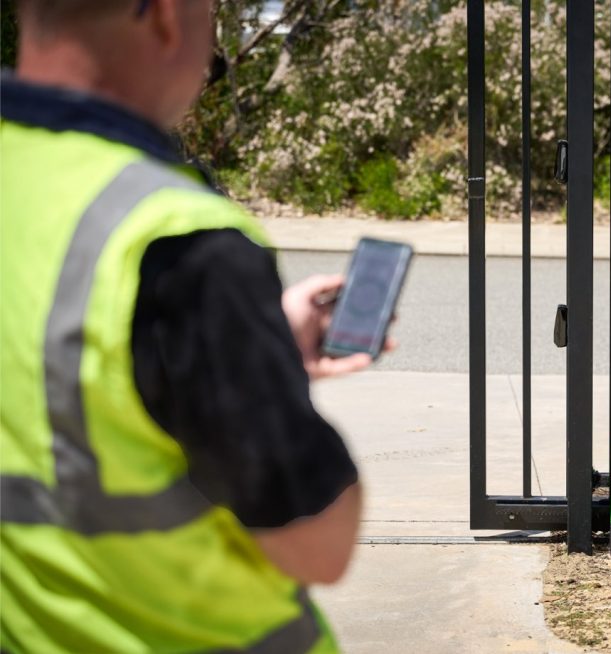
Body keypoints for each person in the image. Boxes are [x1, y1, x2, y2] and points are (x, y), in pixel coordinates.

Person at [0, 1, 385, 651]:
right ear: (166, 16)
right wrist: (258, 370)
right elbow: (319, 545)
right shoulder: (181, 244)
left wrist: (258, 350)